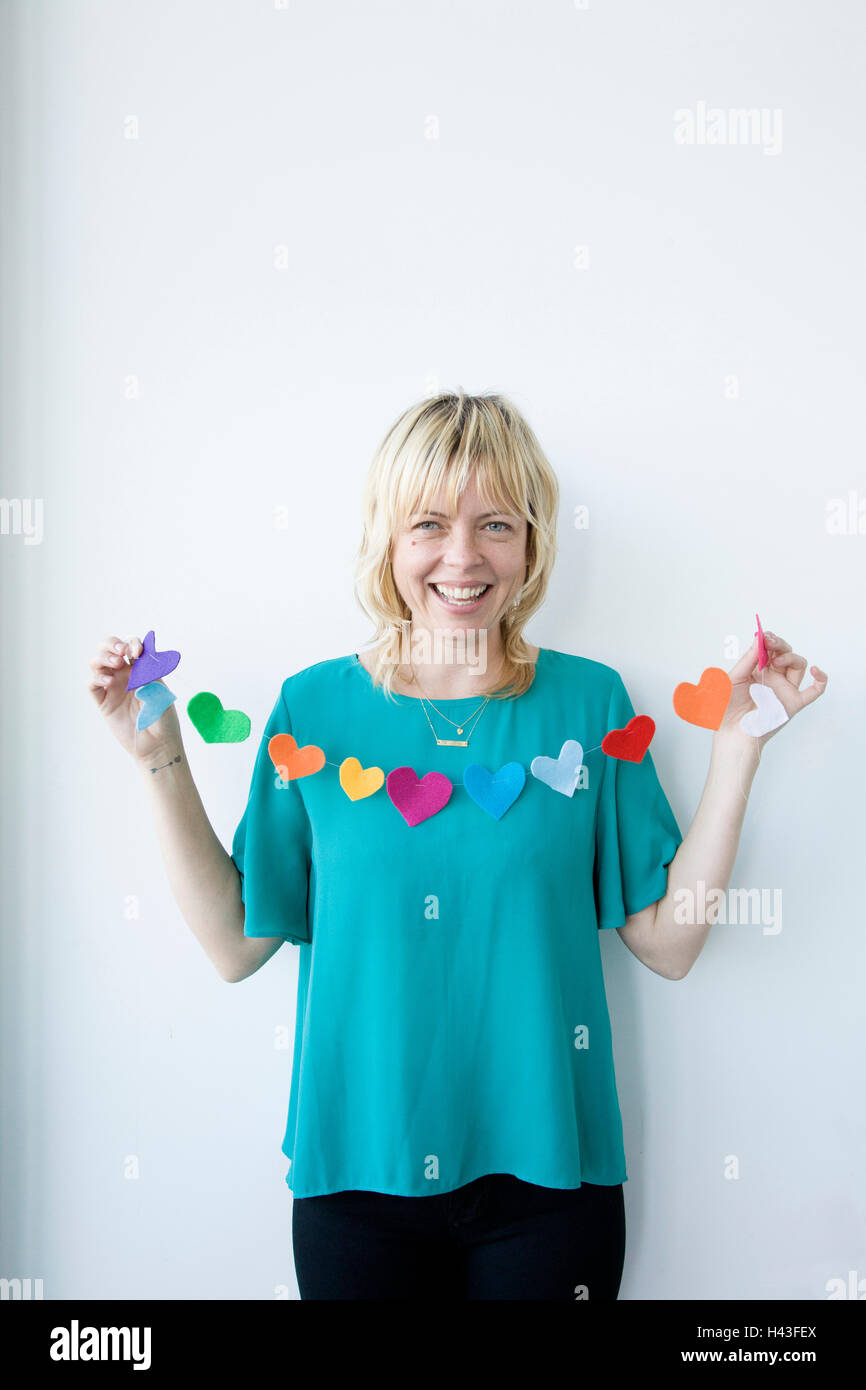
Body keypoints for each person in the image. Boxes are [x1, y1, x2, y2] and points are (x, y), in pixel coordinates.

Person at [88, 389, 827, 1300]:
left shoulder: (592, 705)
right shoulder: (311, 709)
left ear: (532, 543)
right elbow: (235, 945)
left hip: (551, 1186)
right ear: (389, 542)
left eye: (497, 526)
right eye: (429, 524)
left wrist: (738, 750)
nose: (463, 556)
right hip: (356, 1180)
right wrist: (160, 759)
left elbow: (670, 943)